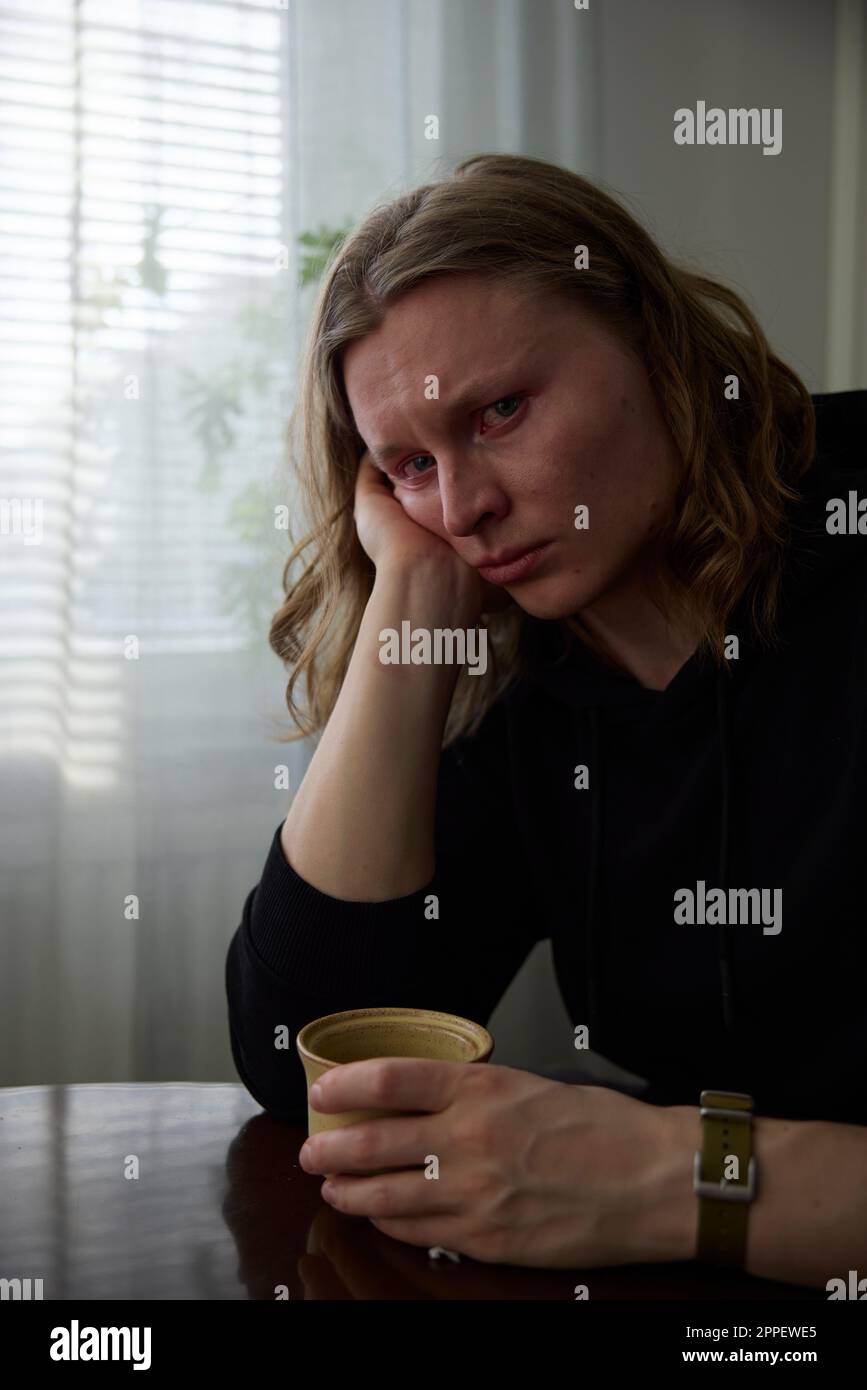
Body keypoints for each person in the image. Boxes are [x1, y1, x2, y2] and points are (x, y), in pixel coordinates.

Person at [224, 153, 867, 1288]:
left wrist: (679, 1178)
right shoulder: (527, 680)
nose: (464, 506)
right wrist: (411, 600)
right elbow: (312, 1059)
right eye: (410, 465)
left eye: (503, 410)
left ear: (655, 344)